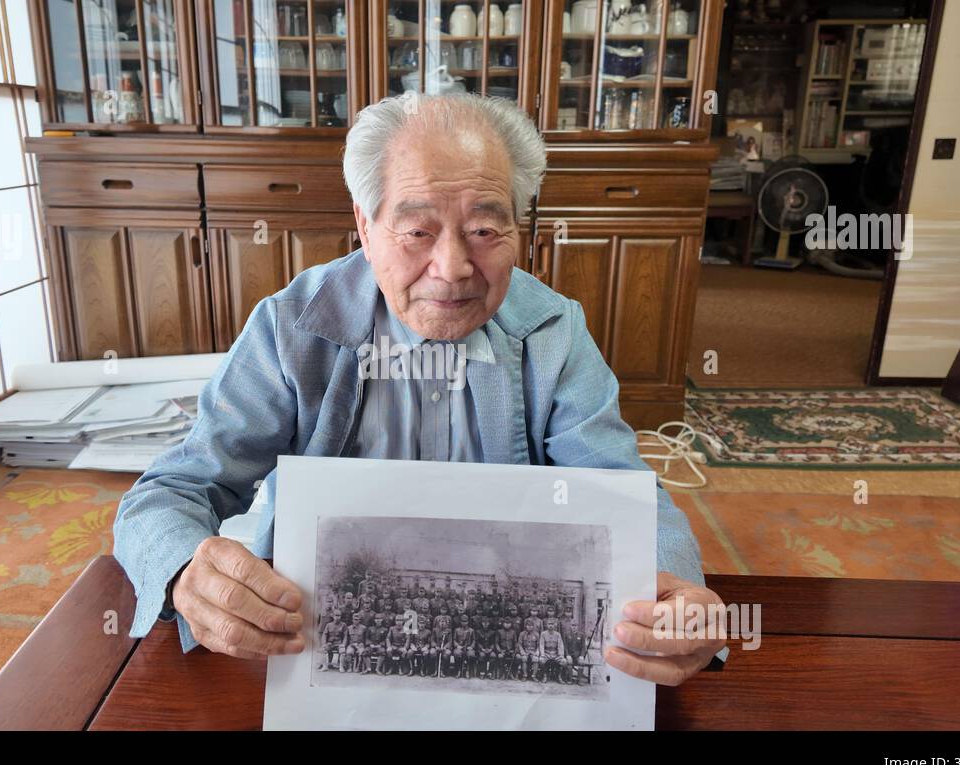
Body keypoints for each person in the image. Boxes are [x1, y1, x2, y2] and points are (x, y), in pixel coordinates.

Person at [114, 91, 725, 689]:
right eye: (416, 232)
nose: (454, 266)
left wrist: (673, 588)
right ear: (365, 223)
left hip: (507, 643)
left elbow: (623, 494)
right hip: (321, 645)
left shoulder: (554, 331)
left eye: (486, 228)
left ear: (520, 226)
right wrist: (185, 573)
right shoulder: (290, 329)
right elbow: (174, 491)